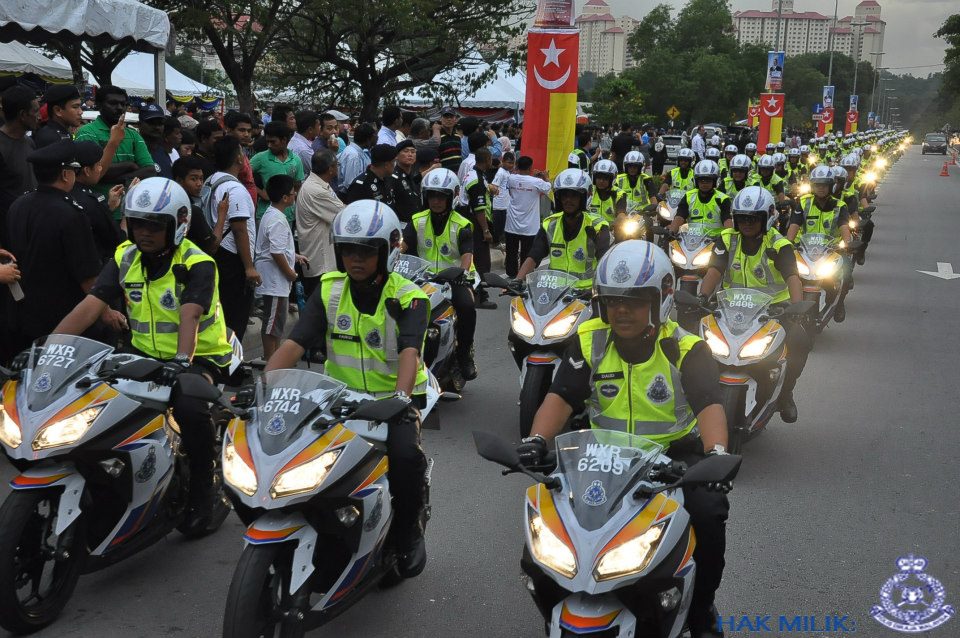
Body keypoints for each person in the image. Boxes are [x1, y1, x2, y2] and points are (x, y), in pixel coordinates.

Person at [517, 239, 731, 638]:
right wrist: (535, 441)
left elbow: (709, 405)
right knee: (547, 521)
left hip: (673, 459)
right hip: (599, 459)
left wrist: (716, 456)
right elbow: (561, 396)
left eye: (633, 301)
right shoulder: (589, 338)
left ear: (662, 299)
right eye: (613, 301)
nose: (621, 311)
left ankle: (702, 609)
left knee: (708, 512)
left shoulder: (686, 348)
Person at [54, 177, 233, 535]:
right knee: (92, 400)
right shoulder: (125, 256)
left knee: (187, 405)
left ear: (178, 224)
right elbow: (92, 305)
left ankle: (203, 486)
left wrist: (182, 361)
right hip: (141, 355)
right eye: (137, 224)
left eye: (154, 225)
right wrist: (51, 347)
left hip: (200, 358)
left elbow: (191, 314)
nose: (144, 232)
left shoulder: (197, 262)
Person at [265, 200, 431, 577]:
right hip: (336, 399)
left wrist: (401, 401)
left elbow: (410, 351)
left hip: (392, 401)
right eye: (349, 251)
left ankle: (408, 531)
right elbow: (295, 344)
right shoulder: (328, 290)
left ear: (387, 251)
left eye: (367, 251)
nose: (356, 259)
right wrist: (265, 387)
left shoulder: (408, 297)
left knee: (405, 458)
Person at [699, 186, 809, 423]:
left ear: (766, 218)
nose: (747, 223)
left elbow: (793, 278)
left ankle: (786, 392)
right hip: (730, 310)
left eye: (753, 218)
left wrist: (797, 309)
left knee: (800, 341)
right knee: (693, 340)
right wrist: (701, 298)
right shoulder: (727, 239)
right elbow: (714, 270)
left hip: (774, 311)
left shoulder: (779, 245)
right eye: (742, 218)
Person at [4, 140, 117, 357]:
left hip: (23, 313)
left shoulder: (19, 204)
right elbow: (87, 276)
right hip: (63, 320)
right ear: (66, 175)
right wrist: (106, 312)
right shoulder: (71, 214)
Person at [402, 168, 478, 379]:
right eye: (432, 195)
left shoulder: (462, 225)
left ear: (452, 196)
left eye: (441, 196)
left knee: (467, 307)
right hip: (420, 278)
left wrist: (461, 274)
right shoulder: (417, 220)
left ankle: (464, 354)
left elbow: (467, 255)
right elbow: (402, 246)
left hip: (454, 280)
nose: (436, 201)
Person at [514, 168, 610, 290]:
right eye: (564, 195)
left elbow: (605, 263)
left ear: (584, 197)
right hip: (554, 292)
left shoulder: (597, 226)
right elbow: (534, 255)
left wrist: (600, 289)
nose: (568, 200)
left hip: (585, 294)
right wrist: (517, 280)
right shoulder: (550, 224)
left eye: (574, 195)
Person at [207, 136, 260, 338]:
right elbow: (239, 229)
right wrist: (249, 267)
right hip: (233, 260)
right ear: (239, 158)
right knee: (235, 317)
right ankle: (231, 362)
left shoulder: (212, 180)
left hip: (219, 254)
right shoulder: (235, 189)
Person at [74, 86, 157, 212]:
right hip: (99, 209)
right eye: (113, 103)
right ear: (99, 105)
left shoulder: (133, 134)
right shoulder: (87, 132)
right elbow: (89, 174)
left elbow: (150, 170)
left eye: (123, 104)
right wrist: (130, 165)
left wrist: (112, 176)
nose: (119, 108)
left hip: (130, 211)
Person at [787, 165, 852, 322]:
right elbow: (794, 225)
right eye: (818, 185)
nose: (821, 188)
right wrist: (787, 243)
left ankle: (839, 303)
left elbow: (844, 227)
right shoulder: (803, 203)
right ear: (813, 186)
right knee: (787, 272)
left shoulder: (840, 206)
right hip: (804, 250)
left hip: (831, 251)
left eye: (824, 185)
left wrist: (847, 243)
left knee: (847, 272)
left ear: (831, 186)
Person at [255, 175, 306, 358]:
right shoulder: (276, 219)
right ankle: (270, 359)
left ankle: (274, 356)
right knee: (272, 323)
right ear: (285, 197)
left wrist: (296, 256)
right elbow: (276, 252)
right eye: (293, 193)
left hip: (276, 281)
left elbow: (279, 248)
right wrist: (290, 273)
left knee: (276, 322)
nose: (295, 196)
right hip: (276, 281)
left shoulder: (273, 215)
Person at [70, 141, 125, 265]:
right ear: (87, 171)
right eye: (98, 165)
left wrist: (108, 207)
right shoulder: (91, 200)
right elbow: (118, 240)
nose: (100, 169)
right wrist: (127, 210)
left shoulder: (65, 192)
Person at [0, 86, 40, 243]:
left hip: (30, 225)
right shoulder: (2, 147)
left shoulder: (29, 142)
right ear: (23, 115)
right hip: (8, 233)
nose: (39, 116)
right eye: (35, 111)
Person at [503, 156, 552, 277]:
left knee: (511, 252)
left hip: (512, 224)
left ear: (517, 166)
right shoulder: (537, 182)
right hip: (529, 227)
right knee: (527, 253)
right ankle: (524, 275)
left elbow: (520, 182)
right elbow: (549, 188)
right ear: (530, 167)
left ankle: (511, 274)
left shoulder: (511, 178)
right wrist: (545, 177)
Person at [460, 147, 496, 308]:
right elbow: (478, 208)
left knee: (478, 261)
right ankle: (479, 297)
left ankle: (478, 294)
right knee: (480, 262)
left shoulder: (476, 175)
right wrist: (485, 230)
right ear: (487, 160)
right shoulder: (478, 180)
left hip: (470, 221)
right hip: (475, 223)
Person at [172, 155, 228, 256]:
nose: (199, 184)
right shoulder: (191, 211)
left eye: (201, 179)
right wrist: (222, 215)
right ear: (179, 180)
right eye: (194, 179)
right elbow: (212, 247)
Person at [251, 121, 304, 223]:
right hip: (265, 215)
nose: (269, 145)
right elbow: (241, 174)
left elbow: (297, 186)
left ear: (284, 140)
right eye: (268, 142)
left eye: (273, 142)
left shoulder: (296, 160)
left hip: (288, 216)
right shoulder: (260, 158)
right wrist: (261, 192)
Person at [671, 160, 731, 237]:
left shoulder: (722, 199)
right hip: (692, 239)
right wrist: (672, 231)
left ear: (714, 181)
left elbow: (727, 219)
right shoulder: (688, 196)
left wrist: (730, 235)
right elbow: (680, 215)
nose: (704, 184)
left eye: (708, 180)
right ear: (696, 181)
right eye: (702, 180)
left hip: (716, 240)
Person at [223, 111, 259, 205]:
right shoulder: (227, 152)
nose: (246, 134)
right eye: (242, 130)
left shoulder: (240, 148)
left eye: (249, 131)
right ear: (229, 130)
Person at [138, 103, 173, 178]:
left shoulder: (163, 150)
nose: (157, 127)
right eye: (151, 123)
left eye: (160, 123)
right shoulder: (134, 151)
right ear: (139, 125)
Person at [390, 139, 422, 224]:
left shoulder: (411, 175)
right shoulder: (393, 177)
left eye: (413, 151)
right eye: (406, 151)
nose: (410, 154)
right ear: (396, 156)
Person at [338, 122, 375, 192]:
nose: (376, 138)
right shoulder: (354, 156)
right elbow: (350, 183)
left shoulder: (355, 151)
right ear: (368, 140)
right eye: (374, 137)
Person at [587, 159, 625, 225]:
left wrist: (619, 221)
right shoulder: (589, 191)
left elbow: (621, 214)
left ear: (612, 179)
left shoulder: (619, 193)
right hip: (590, 230)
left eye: (605, 178)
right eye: (598, 177)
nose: (601, 181)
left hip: (612, 231)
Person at [490, 151, 514, 245]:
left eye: (512, 163)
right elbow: (493, 186)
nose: (511, 165)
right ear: (503, 161)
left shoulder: (507, 172)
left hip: (505, 205)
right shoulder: (500, 173)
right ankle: (496, 243)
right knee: (498, 227)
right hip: (499, 205)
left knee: (503, 226)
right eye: (509, 162)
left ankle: (501, 242)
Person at [289, 110, 319, 174]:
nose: (320, 128)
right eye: (318, 125)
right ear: (310, 129)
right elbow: (318, 173)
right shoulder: (304, 150)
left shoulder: (295, 140)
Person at [437, 106, 462, 170]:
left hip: (457, 175)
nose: (449, 119)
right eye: (446, 117)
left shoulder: (458, 137)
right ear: (441, 119)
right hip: (444, 175)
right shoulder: (437, 137)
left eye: (451, 117)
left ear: (455, 119)